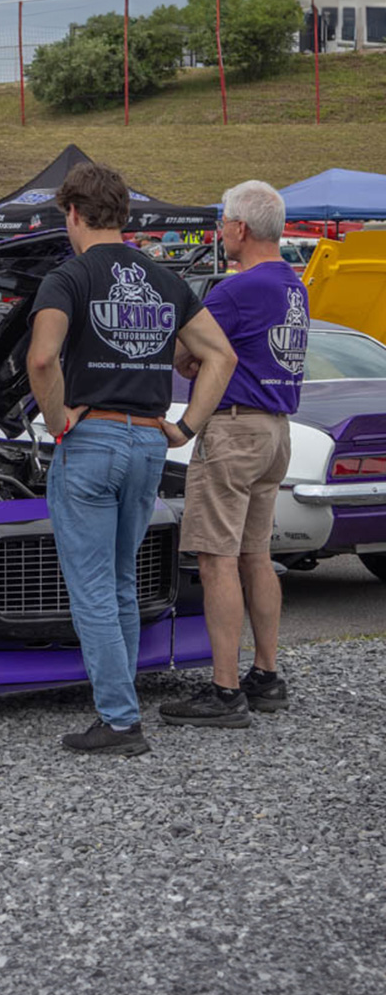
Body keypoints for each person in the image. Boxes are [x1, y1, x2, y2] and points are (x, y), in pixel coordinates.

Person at [26, 162, 236, 756]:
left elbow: (41, 358)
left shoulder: (68, 277)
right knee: (119, 582)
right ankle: (121, 708)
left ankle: (119, 721)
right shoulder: (165, 279)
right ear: (124, 215)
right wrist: (186, 427)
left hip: (92, 439)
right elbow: (221, 356)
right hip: (148, 440)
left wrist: (56, 420)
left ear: (72, 213)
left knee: (92, 588)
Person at [160, 181, 309, 729]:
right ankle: (266, 674)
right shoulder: (293, 284)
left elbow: (183, 351)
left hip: (234, 430)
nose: (221, 231)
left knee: (216, 557)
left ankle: (224, 690)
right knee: (256, 555)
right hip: (276, 430)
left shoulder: (236, 289)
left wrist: (193, 366)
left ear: (240, 228)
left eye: (223, 222)